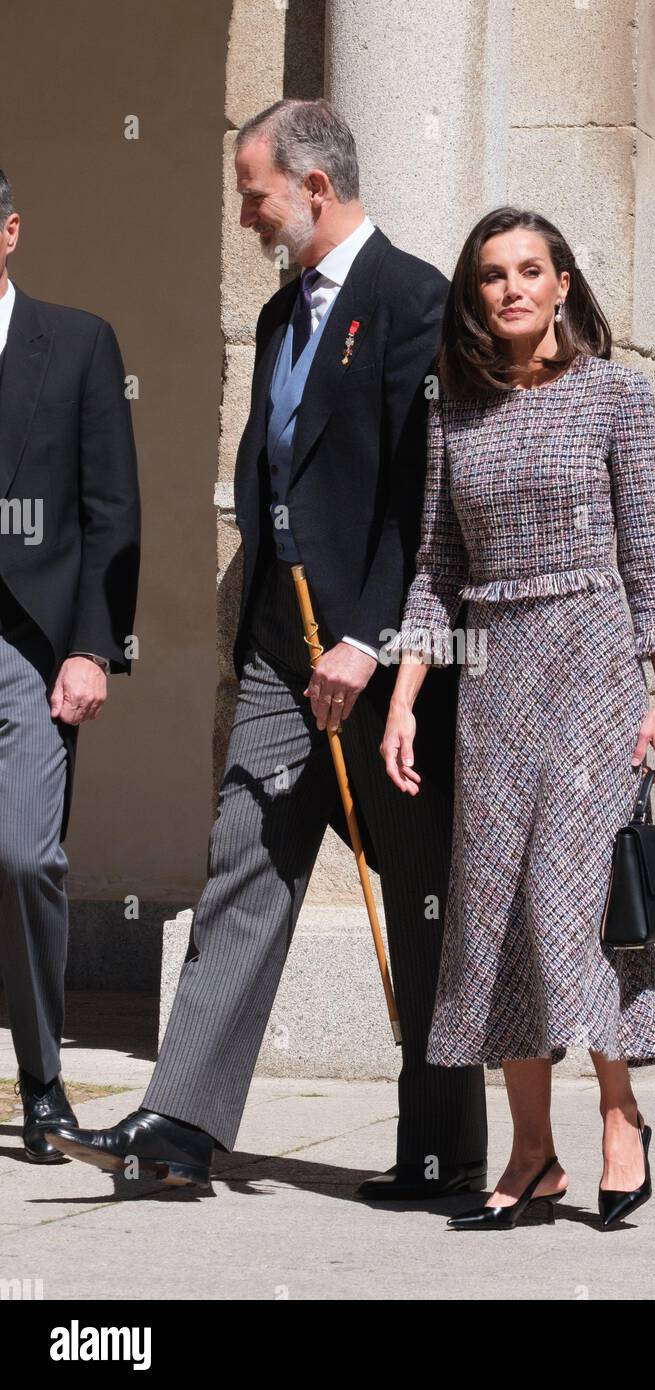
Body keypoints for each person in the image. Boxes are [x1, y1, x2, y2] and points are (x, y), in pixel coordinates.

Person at [48, 100, 487, 1195]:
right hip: (279, 656)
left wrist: (371, 636)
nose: (246, 213)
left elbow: (425, 500)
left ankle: (440, 1149)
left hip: (383, 667)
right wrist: (277, 641)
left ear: (313, 187)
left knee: (422, 891)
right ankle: (182, 1126)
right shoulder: (288, 313)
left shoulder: (410, 301)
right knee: (242, 860)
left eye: (254, 192)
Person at [381, 206, 655, 1230]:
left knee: (573, 898)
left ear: (562, 283)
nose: (510, 289)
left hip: (596, 665)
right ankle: (529, 1151)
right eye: (490, 276)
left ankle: (616, 1114)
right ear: (474, 296)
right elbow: (437, 567)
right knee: (496, 910)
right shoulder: (453, 412)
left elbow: (646, 557)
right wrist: (404, 697)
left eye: (528, 271)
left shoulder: (614, 394)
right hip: (494, 678)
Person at [0, 167, 140, 1162]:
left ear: (9, 232)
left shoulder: (80, 344)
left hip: (31, 642)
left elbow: (111, 512)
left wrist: (95, 645)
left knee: (22, 855)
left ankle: (43, 1083)